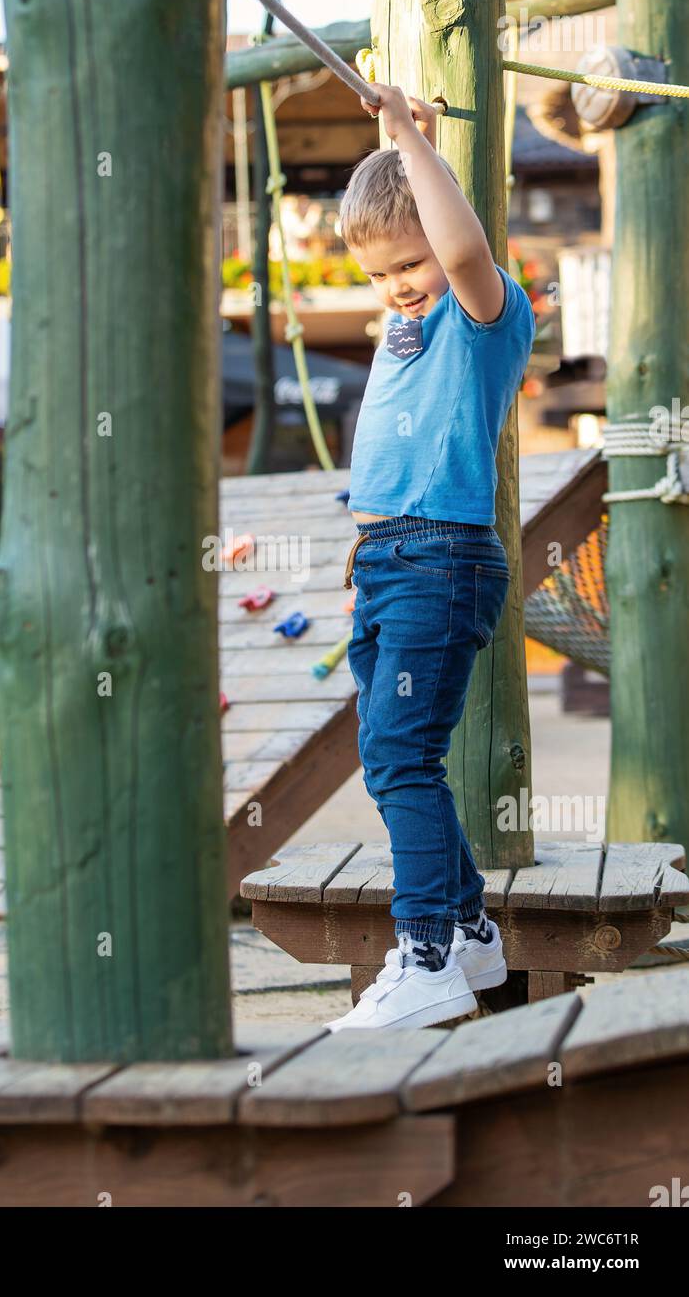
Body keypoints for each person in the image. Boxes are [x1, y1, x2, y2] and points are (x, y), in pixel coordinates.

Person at [327, 82, 536, 1033]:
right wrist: (405, 146)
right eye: (379, 275)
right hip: (387, 559)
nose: (401, 284)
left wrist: (412, 138)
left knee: (402, 757)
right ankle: (469, 932)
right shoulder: (407, 332)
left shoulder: (483, 315)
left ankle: (426, 955)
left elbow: (460, 249)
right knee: (392, 761)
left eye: (408, 264)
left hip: (441, 559)